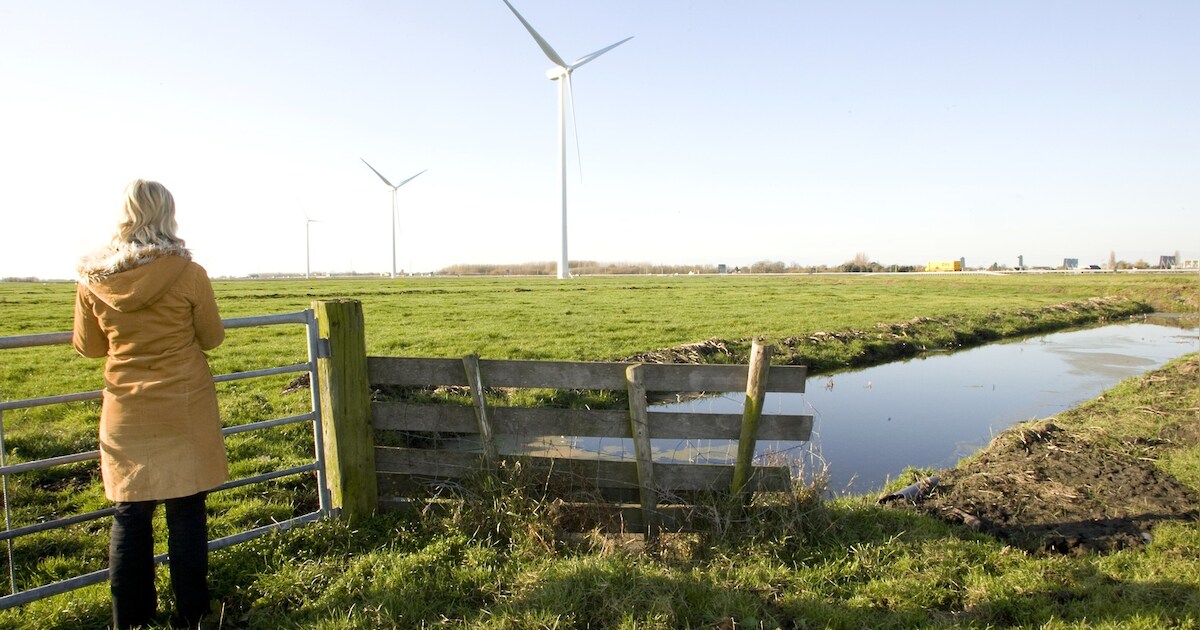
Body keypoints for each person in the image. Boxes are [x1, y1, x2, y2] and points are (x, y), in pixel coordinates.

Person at [73, 179, 228, 629]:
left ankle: (133, 619)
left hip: (125, 409)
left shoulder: (93, 280)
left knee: (130, 514)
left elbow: (88, 347)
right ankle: (193, 614)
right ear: (167, 215)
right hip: (183, 405)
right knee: (186, 510)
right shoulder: (189, 273)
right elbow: (212, 338)